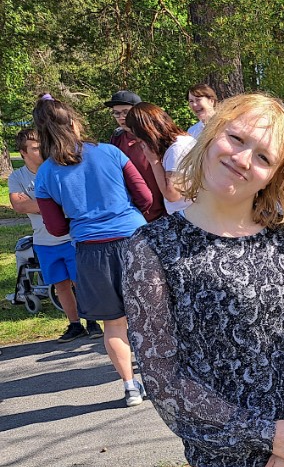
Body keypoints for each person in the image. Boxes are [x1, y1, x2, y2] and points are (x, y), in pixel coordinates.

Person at [123, 93, 284, 467]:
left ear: (275, 174)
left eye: (263, 157)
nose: (243, 160)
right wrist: (268, 435)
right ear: (210, 135)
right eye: (236, 139)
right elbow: (163, 375)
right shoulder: (153, 248)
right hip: (228, 461)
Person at [33, 98, 152, 406]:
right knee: (152, 315)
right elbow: (145, 196)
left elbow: (56, 228)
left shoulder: (45, 173)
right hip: (134, 240)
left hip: (91, 251)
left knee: (114, 323)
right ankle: (162, 379)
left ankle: (130, 387)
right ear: (75, 123)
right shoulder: (111, 152)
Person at [8, 129, 102, 341]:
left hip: (71, 238)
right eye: (35, 148)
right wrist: (51, 204)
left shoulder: (58, 168)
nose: (42, 150)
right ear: (23, 152)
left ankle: (92, 321)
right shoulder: (17, 177)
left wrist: (38, 204)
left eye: (43, 145)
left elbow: (72, 200)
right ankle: (75, 324)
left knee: (80, 282)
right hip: (44, 241)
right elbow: (19, 205)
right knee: (60, 284)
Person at [106, 90, 166, 222]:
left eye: (126, 112)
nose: (121, 117)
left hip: (163, 213)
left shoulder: (156, 137)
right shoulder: (117, 138)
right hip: (132, 215)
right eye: (116, 113)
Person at [125, 102, 196, 214]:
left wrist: (154, 162)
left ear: (145, 131)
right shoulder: (183, 141)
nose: (138, 139)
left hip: (186, 213)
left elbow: (172, 195)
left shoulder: (177, 149)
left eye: (136, 134)